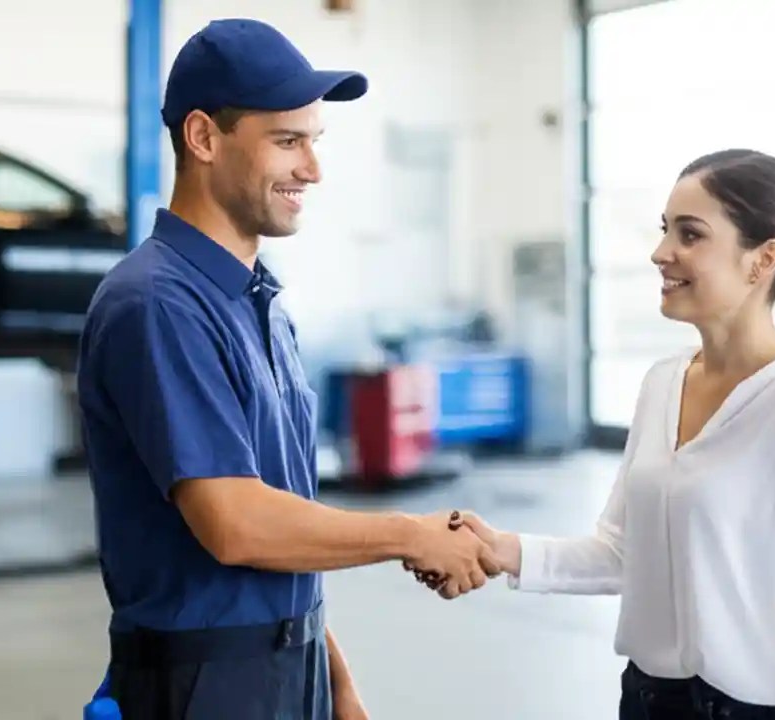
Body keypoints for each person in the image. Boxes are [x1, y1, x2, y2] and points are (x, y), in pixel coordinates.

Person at [76, 18, 499, 720]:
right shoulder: (156, 304)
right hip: (206, 686)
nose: (313, 168)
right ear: (205, 138)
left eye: (315, 140)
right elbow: (237, 524)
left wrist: (331, 676)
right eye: (287, 141)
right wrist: (408, 534)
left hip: (285, 665)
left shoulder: (257, 300)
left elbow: (284, 516)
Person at [453, 150, 775, 720]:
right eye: (665, 229)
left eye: (690, 234)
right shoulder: (662, 383)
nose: (660, 252)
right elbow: (625, 552)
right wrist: (507, 552)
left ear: (763, 259)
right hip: (648, 701)